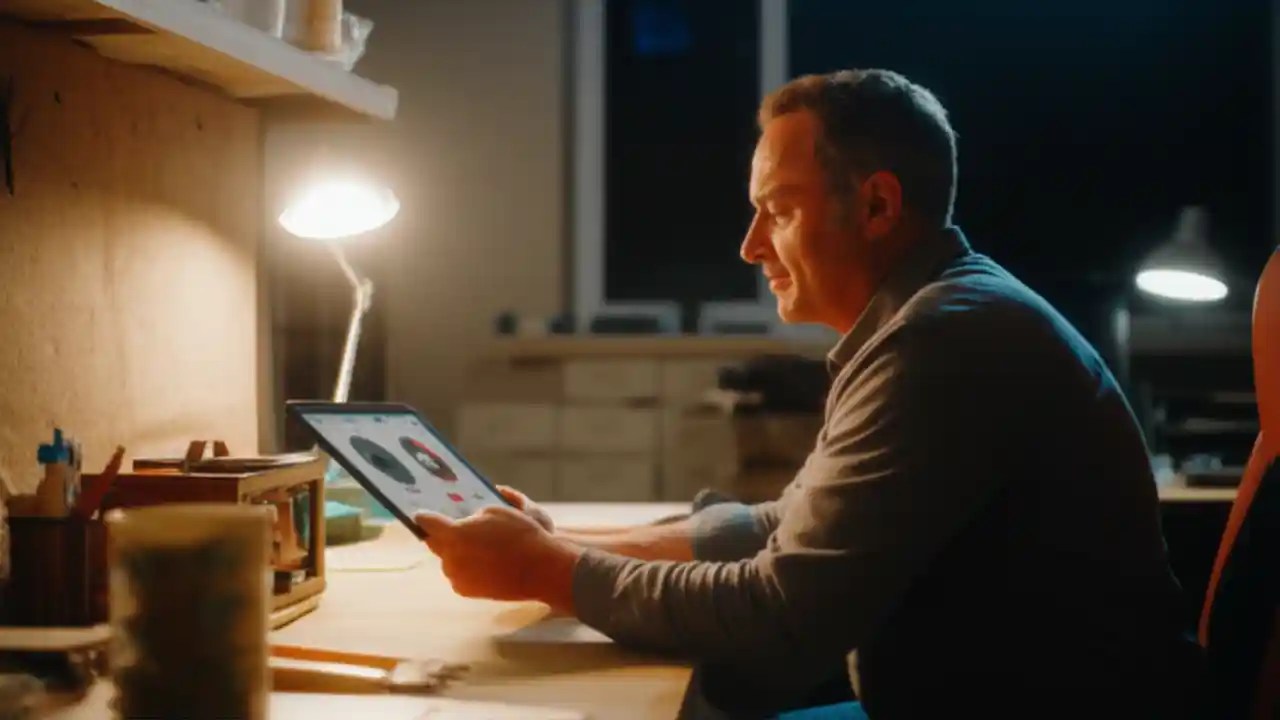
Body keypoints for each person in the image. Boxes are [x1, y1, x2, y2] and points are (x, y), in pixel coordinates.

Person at [415, 69, 1204, 718]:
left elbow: (781, 615)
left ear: (877, 205)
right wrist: (566, 549)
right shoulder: (933, 314)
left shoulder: (943, 340)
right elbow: (788, 526)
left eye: (779, 211)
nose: (751, 245)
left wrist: (548, 574)